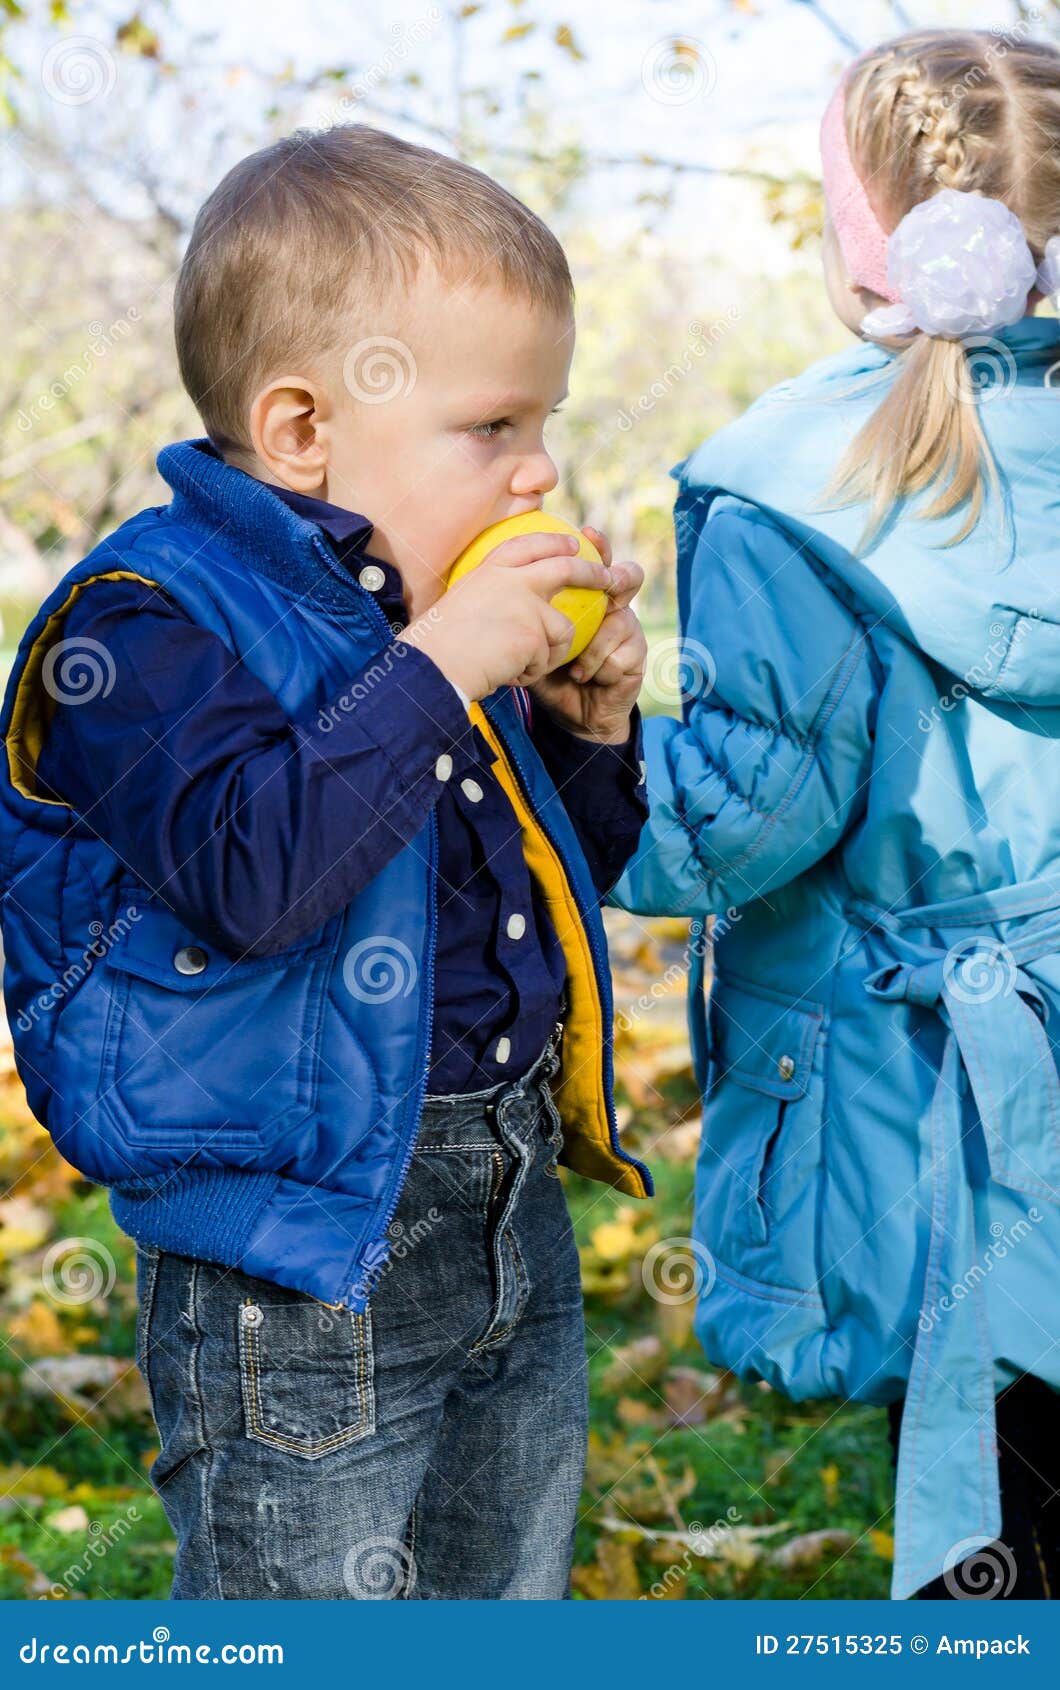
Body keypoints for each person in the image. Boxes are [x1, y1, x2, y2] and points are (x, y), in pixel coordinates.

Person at [0, 124, 654, 1599]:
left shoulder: (414, 621)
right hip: (294, 1257)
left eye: (545, 419)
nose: (539, 465)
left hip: (506, 1195)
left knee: (503, 1589)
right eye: (493, 426)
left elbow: (547, 899)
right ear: (301, 430)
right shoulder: (141, 625)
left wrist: (587, 734)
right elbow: (257, 877)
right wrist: (442, 666)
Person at [608, 27, 1060, 1600]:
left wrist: (584, 735)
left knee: (993, 1484)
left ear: (861, 243)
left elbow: (744, 822)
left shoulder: (805, 487)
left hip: (931, 1103)